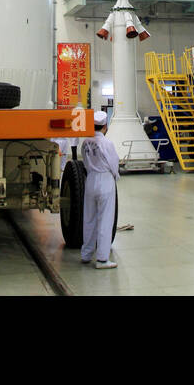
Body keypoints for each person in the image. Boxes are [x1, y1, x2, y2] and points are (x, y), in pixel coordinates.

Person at [79, 110, 120, 269]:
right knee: (105, 219)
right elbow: (113, 163)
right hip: (104, 179)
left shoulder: (86, 142)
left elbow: (84, 161)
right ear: (105, 126)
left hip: (91, 179)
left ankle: (86, 254)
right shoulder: (106, 143)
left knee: (89, 218)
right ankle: (102, 259)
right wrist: (115, 177)